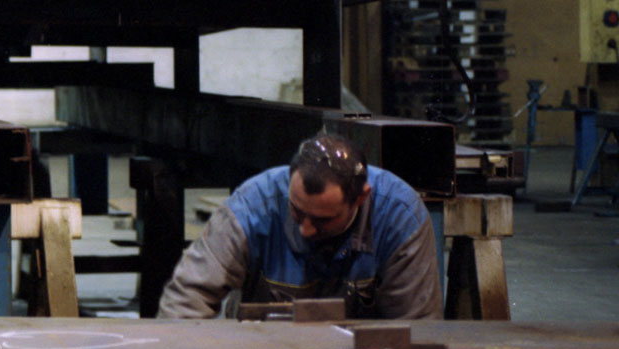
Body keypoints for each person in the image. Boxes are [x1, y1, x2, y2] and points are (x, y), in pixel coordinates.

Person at [158, 132, 440, 319]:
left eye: (322, 219)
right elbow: (186, 299)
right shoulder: (252, 207)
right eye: (296, 211)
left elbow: (416, 332)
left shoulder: (399, 218)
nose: (306, 229)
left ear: (361, 198)